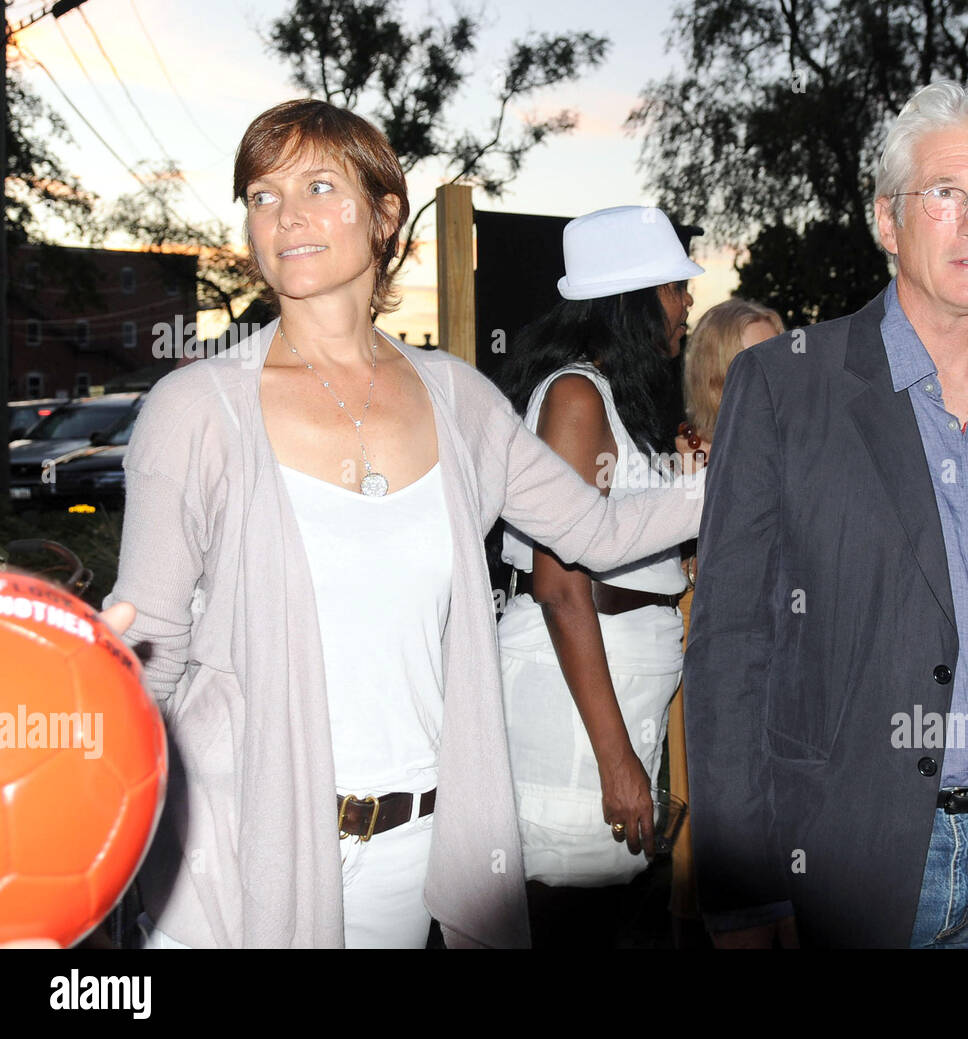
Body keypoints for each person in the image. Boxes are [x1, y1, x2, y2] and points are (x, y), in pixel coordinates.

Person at [100, 101, 705, 949]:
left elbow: (594, 533)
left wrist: (729, 472)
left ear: (386, 215)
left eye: (318, 185)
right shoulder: (197, 410)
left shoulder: (458, 400)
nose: (287, 217)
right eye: (264, 196)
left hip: (407, 852)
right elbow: (147, 653)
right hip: (238, 846)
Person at [683, 81, 968, 948]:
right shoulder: (785, 386)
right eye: (945, 193)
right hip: (846, 859)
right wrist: (743, 892)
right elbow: (731, 646)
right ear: (889, 222)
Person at [495, 205, 702, 946]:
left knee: (604, 915)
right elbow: (557, 583)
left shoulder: (619, 401)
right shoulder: (576, 395)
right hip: (575, 708)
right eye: (677, 288)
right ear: (637, 296)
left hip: (617, 693)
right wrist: (617, 760)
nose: (687, 305)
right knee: (568, 919)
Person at [668, 298, 784, 940]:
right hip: (717, 663)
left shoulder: (802, 440)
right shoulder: (691, 456)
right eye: (756, 358)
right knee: (720, 819)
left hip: (794, 663)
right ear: (718, 373)